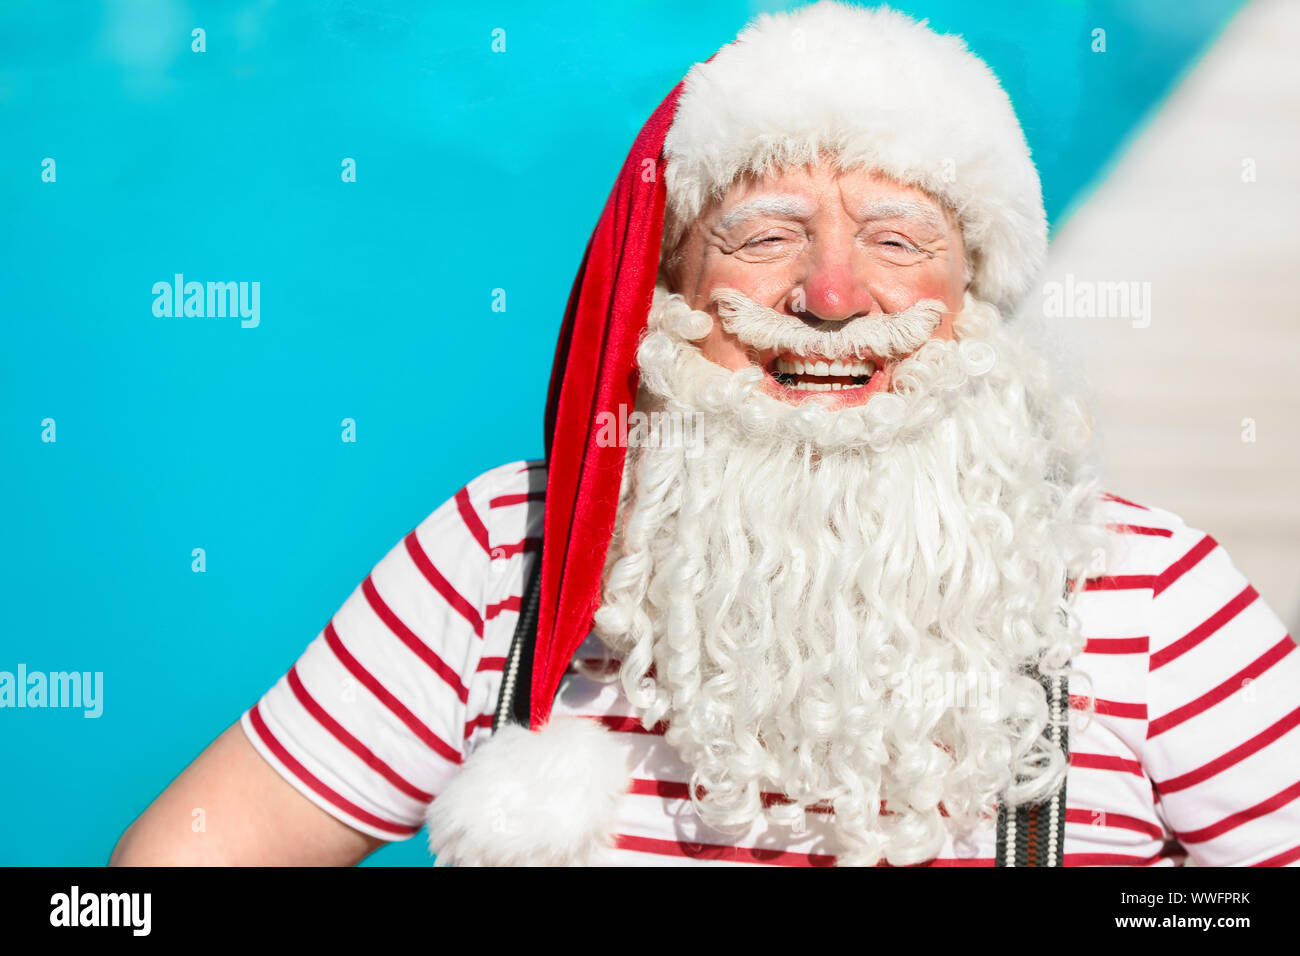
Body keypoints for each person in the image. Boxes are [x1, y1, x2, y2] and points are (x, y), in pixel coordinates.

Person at [110, 0, 1300, 867]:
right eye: (764, 233)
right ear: (666, 293)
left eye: (895, 241)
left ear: (976, 306)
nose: (830, 297)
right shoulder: (504, 559)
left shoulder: (1147, 605)